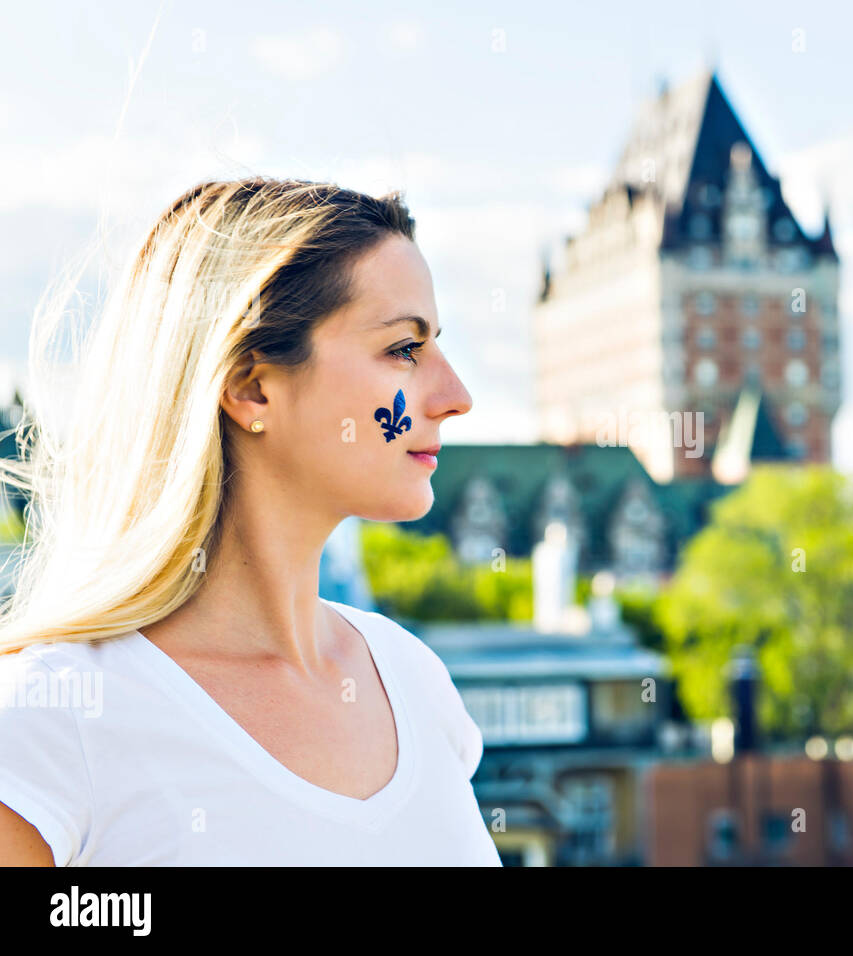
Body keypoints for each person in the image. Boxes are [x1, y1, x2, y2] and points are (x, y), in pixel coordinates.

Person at [0, 178, 501, 865]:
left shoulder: (413, 681)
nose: (457, 396)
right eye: (404, 349)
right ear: (250, 386)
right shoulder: (51, 721)